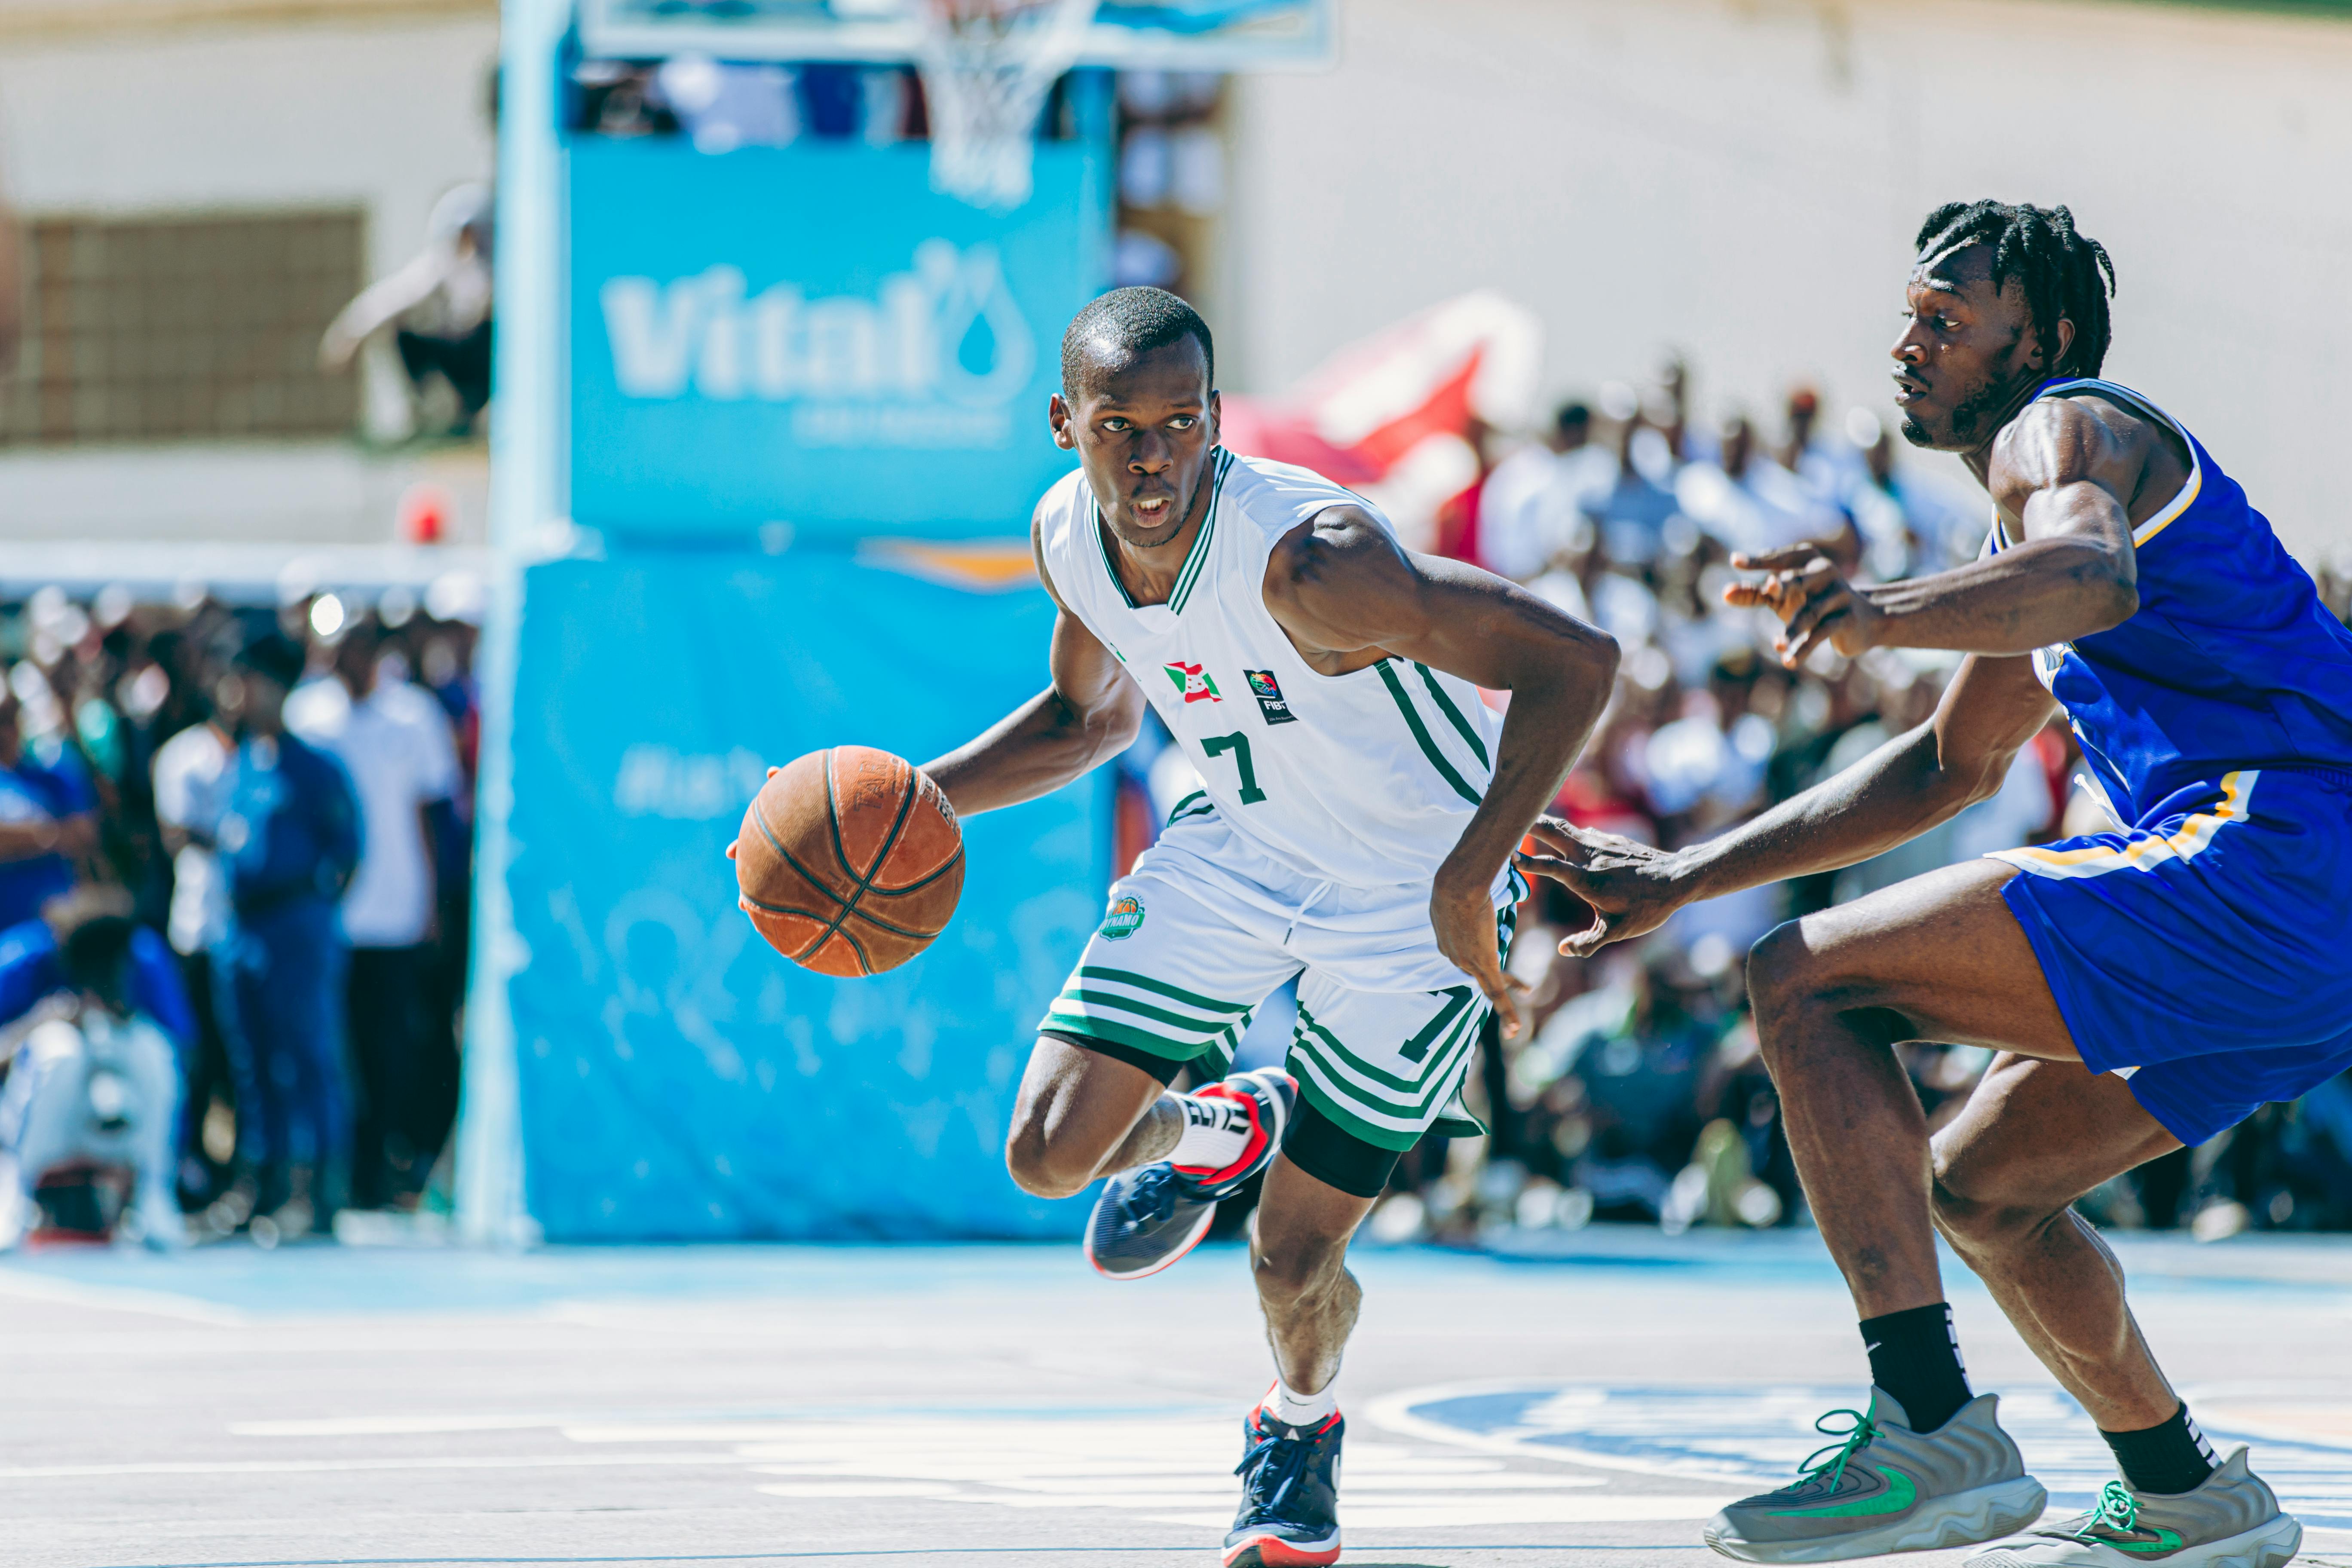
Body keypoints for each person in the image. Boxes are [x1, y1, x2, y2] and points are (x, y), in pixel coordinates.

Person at [1519, 201, 2345, 1568]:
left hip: (2275, 854)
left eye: (1949, 320)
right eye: (1909, 316)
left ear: (2048, 338)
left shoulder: (2065, 429)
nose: (1910, 345)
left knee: (1803, 982)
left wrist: (1875, 614)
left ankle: (1925, 1424)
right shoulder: (2025, 555)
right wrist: (1682, 873)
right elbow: (1947, 767)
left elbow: (2091, 575)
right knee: (1985, 1185)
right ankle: (2184, 1490)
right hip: (2308, 925)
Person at [916, 287, 1618, 1568]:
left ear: (1214, 418)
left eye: (1179, 424)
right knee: (1049, 1152)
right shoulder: (1066, 533)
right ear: (1064, 423)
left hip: (1414, 889)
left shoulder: (1314, 559)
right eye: (1119, 428)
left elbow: (1578, 659)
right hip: (1246, 845)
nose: (1152, 458)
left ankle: (1297, 1429)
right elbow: (1089, 720)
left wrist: (1472, 874)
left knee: (1291, 1260)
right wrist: (919, 800)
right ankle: (1219, 1127)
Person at [287, 614, 462, 1210]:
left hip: (394, 910)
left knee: (391, 1044)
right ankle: (337, 1168)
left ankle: (384, 1163)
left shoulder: (414, 714)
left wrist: (433, 902)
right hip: (329, 914)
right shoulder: (308, 714)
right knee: (334, 1048)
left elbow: (431, 814)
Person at [211, 634, 363, 1235]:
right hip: (241, 930)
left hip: (294, 926)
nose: (238, 693)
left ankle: (318, 1188)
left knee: (306, 1056)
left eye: (248, 680)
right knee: (251, 1061)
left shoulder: (315, 768)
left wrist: (311, 916)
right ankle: (261, 1183)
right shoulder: (242, 761)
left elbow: (348, 851)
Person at [0, 890, 189, 1247]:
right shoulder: (26, 958)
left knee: (154, 1050)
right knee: (57, 1050)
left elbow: (186, 1051)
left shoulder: (142, 957)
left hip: (119, 1120)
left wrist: (123, 1021)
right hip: (27, 1128)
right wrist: (34, 1024)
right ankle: (12, 1196)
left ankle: (154, 1194)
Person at [0, 686, 100, 933]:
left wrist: (17, 839)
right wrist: (52, 835)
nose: (3, 731)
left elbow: (84, 834)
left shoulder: (54, 770)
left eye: (7, 718)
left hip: (61, 923)